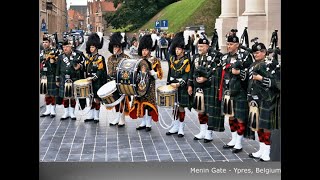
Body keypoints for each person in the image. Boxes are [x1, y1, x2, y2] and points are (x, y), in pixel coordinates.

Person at [220, 34, 254, 153]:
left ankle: (239, 142)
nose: (229, 46)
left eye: (231, 44)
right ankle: (233, 139)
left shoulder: (245, 56)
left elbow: (251, 70)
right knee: (231, 115)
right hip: (228, 91)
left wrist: (239, 72)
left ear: (237, 45)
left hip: (240, 91)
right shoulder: (224, 57)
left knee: (240, 117)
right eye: (228, 44)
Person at [187, 35, 225, 143]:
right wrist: (190, 85)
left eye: (202, 46)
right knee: (200, 110)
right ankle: (202, 131)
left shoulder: (215, 57)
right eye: (199, 46)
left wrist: (205, 79)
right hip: (198, 88)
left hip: (209, 88)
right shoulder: (195, 57)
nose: (199, 48)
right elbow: (191, 72)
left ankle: (209, 132)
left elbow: (216, 73)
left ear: (207, 46)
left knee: (209, 111)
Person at [247, 42, 280, 161]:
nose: (256, 54)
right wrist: (249, 97)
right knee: (258, 125)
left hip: (267, 100)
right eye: (254, 52)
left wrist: (261, 78)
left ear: (265, 52)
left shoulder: (273, 64)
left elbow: (277, 83)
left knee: (266, 126)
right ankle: (261, 149)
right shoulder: (252, 65)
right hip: (255, 99)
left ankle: (268, 151)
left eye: (258, 52)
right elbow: (249, 83)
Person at [130, 34, 163, 132]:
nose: (144, 52)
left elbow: (160, 75)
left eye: (146, 50)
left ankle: (149, 123)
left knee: (149, 104)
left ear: (149, 50)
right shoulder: (139, 60)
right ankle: (143, 122)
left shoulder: (155, 60)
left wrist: (154, 73)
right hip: (140, 86)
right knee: (141, 104)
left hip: (150, 86)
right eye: (143, 50)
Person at [165, 32, 191, 137]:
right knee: (174, 106)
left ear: (183, 50)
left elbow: (186, 74)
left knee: (180, 107)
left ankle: (181, 127)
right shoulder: (172, 60)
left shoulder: (186, 61)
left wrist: (180, 84)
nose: (177, 51)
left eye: (179, 49)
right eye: (176, 49)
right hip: (172, 85)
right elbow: (170, 72)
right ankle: (175, 126)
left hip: (181, 86)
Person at [107, 32, 131, 127]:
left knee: (122, 102)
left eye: (117, 47)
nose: (115, 49)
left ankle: (122, 118)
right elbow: (109, 71)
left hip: (122, 83)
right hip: (113, 83)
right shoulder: (110, 58)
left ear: (121, 47)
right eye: (114, 47)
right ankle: (117, 117)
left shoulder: (126, 58)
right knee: (115, 101)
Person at [55, 40, 84, 120]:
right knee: (65, 96)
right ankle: (66, 112)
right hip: (63, 78)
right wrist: (57, 79)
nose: (65, 48)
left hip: (74, 77)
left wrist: (80, 67)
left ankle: (72, 113)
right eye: (63, 47)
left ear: (71, 46)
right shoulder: (61, 57)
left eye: (67, 46)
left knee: (72, 96)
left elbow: (83, 64)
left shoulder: (77, 55)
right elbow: (57, 69)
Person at [83, 33, 107, 123]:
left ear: (96, 47)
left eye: (93, 47)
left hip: (97, 81)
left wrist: (94, 77)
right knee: (90, 98)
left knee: (96, 98)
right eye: (90, 47)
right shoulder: (88, 57)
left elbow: (101, 71)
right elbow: (85, 68)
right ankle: (91, 115)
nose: (91, 49)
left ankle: (96, 116)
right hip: (89, 81)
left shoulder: (100, 58)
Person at [40, 36, 59, 118]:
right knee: (46, 93)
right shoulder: (41, 52)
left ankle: (53, 110)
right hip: (44, 74)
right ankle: (47, 110)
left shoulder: (55, 51)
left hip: (52, 74)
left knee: (52, 93)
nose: (44, 44)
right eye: (43, 42)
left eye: (46, 42)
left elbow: (58, 63)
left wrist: (54, 61)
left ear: (50, 43)